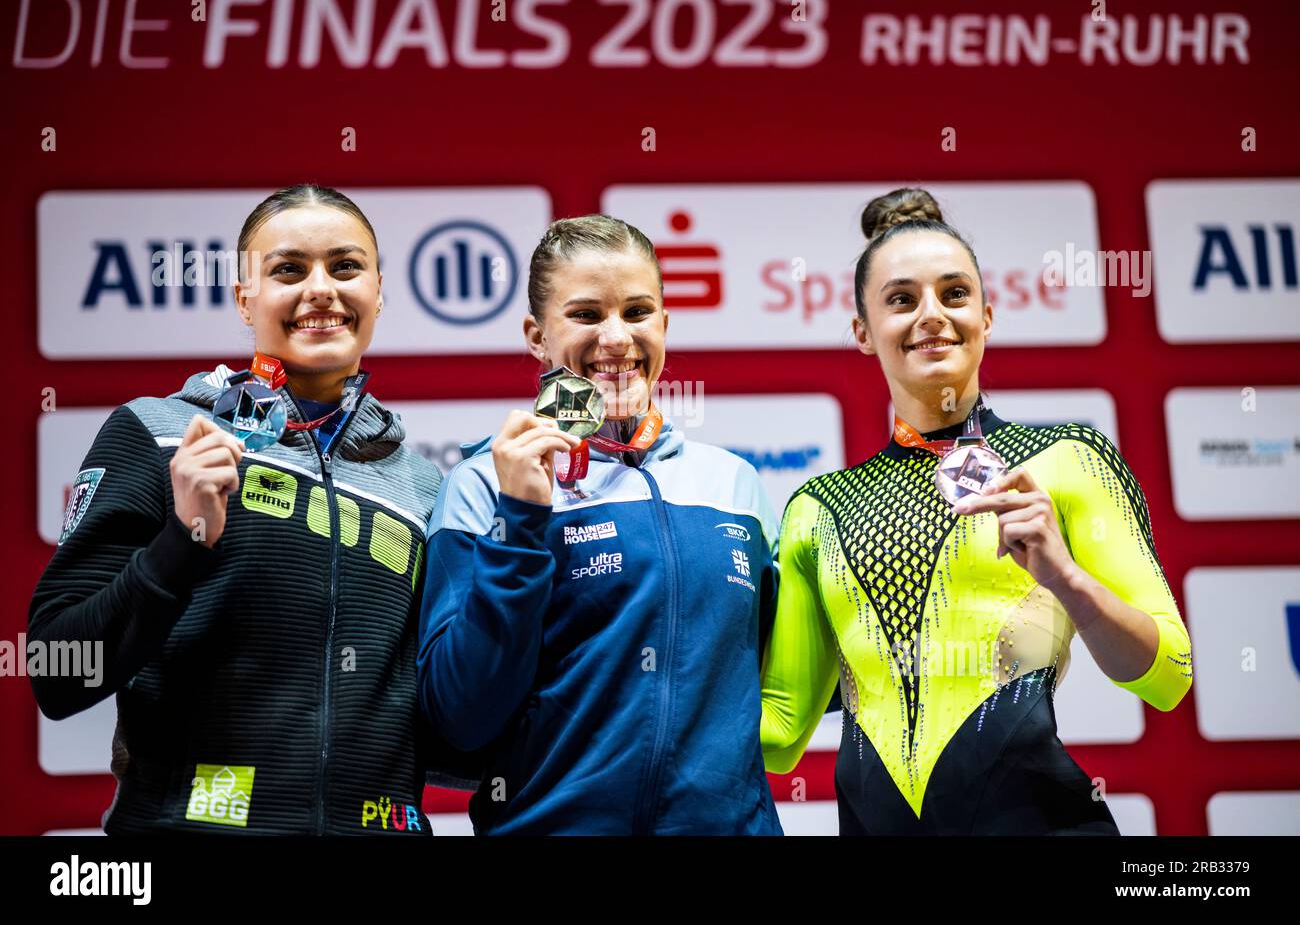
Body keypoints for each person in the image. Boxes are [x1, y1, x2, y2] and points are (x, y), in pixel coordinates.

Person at [760, 188, 1193, 835]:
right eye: (902, 299)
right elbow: (780, 733)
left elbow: (1168, 676)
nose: (931, 315)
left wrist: (1067, 579)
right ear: (861, 331)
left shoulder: (1065, 459)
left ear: (987, 318)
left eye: (954, 294)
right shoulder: (817, 510)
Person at [29, 184, 443, 834]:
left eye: (345, 266)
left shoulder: (424, 487)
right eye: (287, 269)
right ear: (243, 297)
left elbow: (450, 716)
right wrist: (181, 543)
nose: (321, 289)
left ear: (379, 292)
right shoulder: (159, 433)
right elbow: (57, 673)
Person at [418, 214, 782, 835]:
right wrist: (523, 520)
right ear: (537, 336)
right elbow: (461, 716)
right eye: (586, 315)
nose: (617, 338)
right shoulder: (482, 485)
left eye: (638, 311)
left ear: (664, 324)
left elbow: (780, 678)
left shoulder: (733, 484)